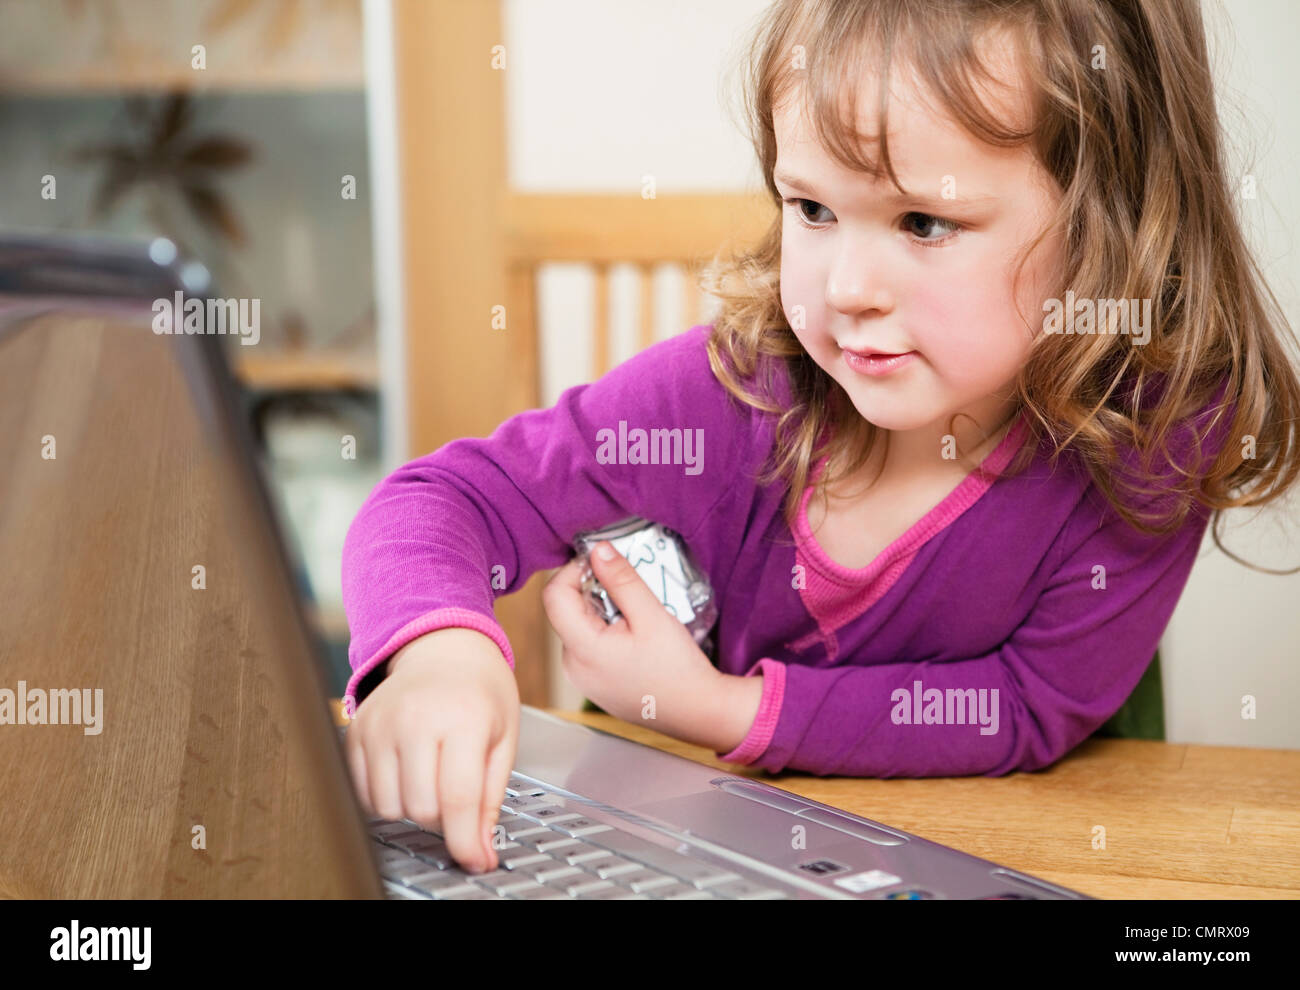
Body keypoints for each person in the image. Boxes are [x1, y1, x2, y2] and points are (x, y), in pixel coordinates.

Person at [340, 0, 1300, 876]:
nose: (846, 289)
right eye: (812, 209)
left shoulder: (1157, 434)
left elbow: (1029, 703)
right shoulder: (726, 396)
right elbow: (444, 501)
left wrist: (719, 711)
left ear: (1112, 228)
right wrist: (436, 657)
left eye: (924, 222)